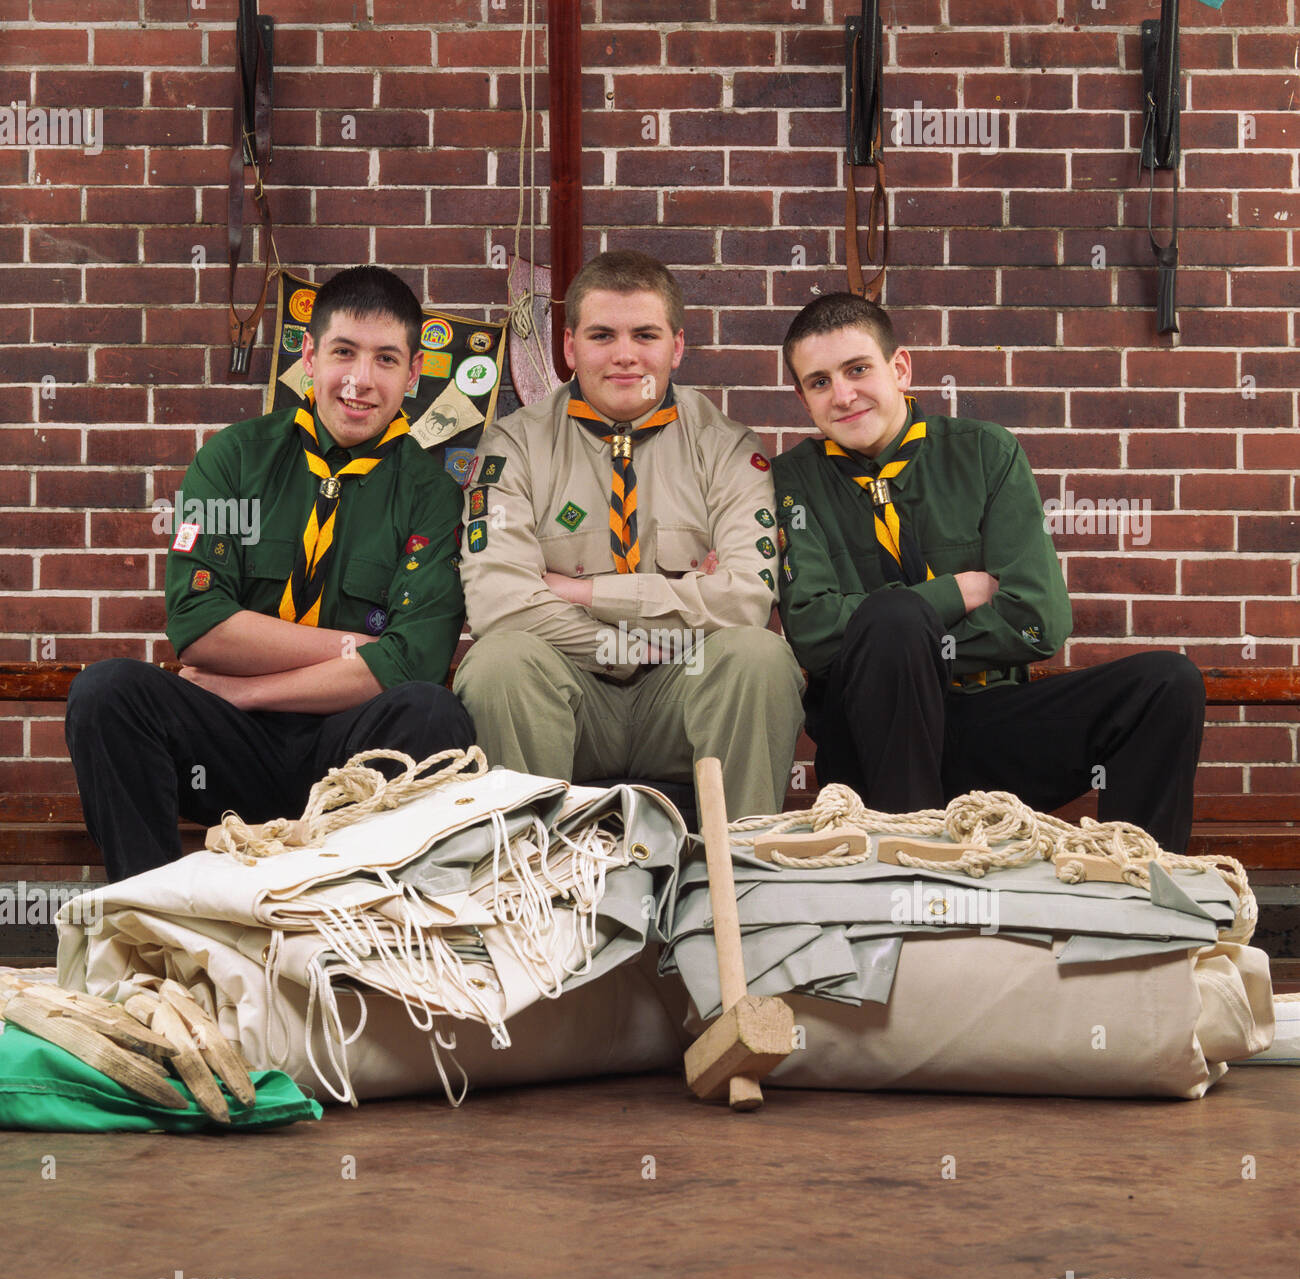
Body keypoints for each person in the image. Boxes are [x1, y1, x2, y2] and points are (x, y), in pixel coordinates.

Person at [65, 265, 473, 882]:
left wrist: (248, 687)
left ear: (413, 373)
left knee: (433, 714)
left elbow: (412, 664)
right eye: (343, 352)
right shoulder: (233, 460)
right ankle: (149, 915)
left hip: (349, 755)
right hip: (227, 746)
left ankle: (362, 925)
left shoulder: (431, 495)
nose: (360, 381)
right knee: (107, 693)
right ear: (309, 355)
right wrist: (357, 649)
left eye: (386, 360)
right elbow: (200, 627)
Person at [773, 292, 1204, 851]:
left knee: (1167, 683)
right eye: (819, 381)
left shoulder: (984, 452)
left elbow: (1037, 619)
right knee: (897, 617)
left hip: (986, 726)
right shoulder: (790, 481)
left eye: (858, 369)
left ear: (899, 368)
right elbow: (811, 633)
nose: (843, 394)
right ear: (803, 398)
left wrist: (915, 646)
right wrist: (954, 592)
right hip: (870, 749)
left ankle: (1136, 891)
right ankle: (914, 867)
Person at [453, 250, 803, 818]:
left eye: (645, 334)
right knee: (498, 662)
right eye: (601, 335)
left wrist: (586, 593)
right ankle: (528, 882)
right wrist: (645, 636)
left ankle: (742, 874)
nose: (624, 355)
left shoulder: (728, 448)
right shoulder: (513, 446)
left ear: (677, 346)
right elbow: (502, 605)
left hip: (684, 691)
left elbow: (744, 602)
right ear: (569, 349)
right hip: (569, 692)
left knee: (757, 656)